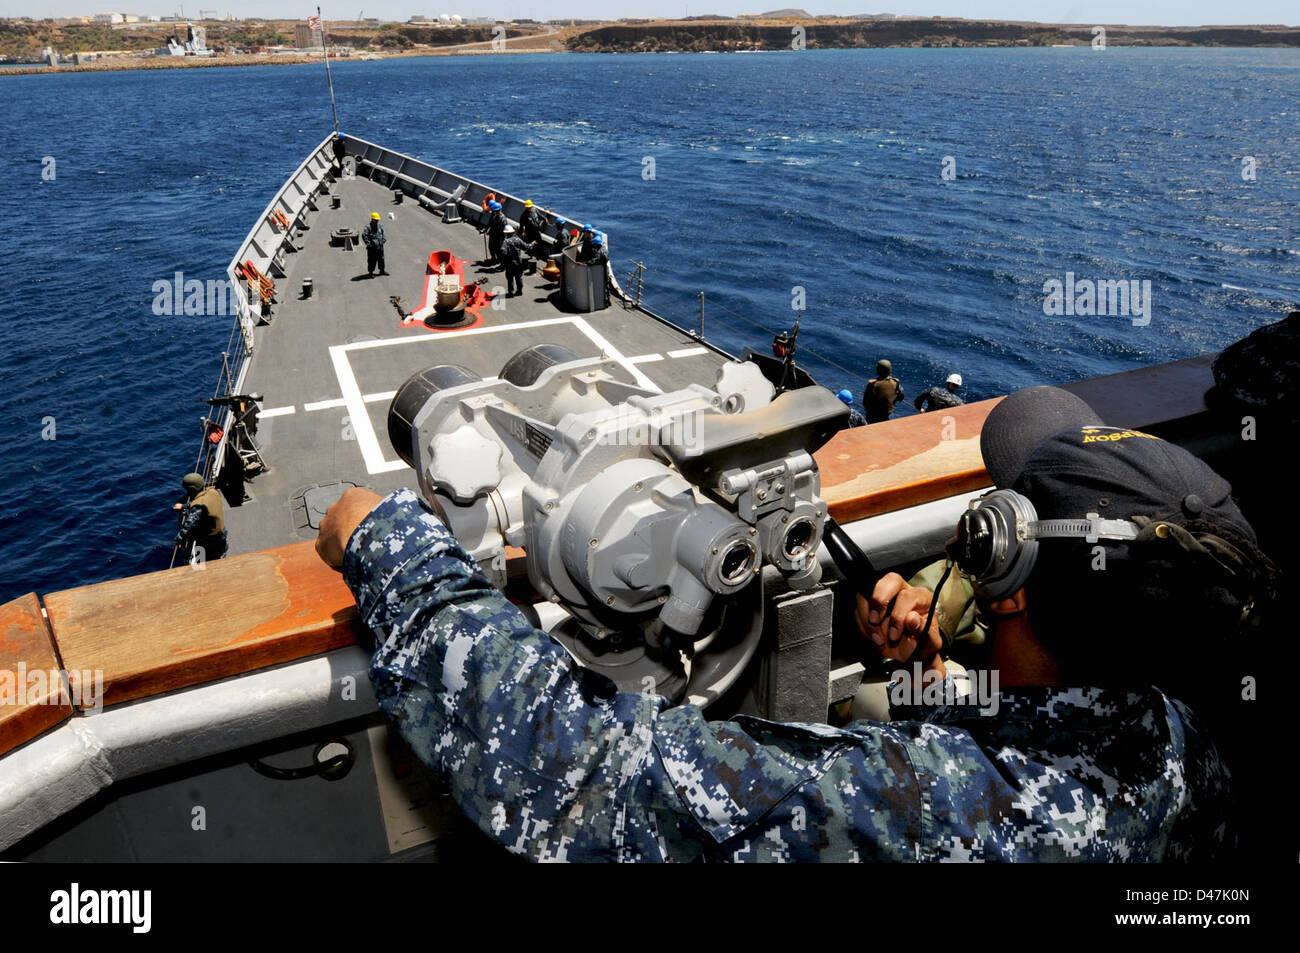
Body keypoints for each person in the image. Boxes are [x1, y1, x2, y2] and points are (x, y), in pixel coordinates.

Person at [313, 384, 1273, 861]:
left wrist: (391, 546)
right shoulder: (1187, 742)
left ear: (1003, 566)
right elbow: (1046, 747)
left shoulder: (918, 805)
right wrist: (929, 681)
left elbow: (580, 775)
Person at [174, 472, 227, 561]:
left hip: (210, 541)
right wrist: (184, 506)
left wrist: (178, 539)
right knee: (221, 557)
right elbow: (202, 501)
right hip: (222, 534)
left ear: (191, 490)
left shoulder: (198, 506)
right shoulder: (213, 491)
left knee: (203, 562)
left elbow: (188, 525)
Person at [862, 359, 904, 423]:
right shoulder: (895, 382)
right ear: (889, 370)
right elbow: (901, 397)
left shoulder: (873, 384)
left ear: (878, 370)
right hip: (889, 414)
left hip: (874, 416)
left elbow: (865, 402)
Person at [500, 224, 531, 297]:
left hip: (509, 263)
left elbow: (503, 251)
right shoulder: (518, 239)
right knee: (518, 277)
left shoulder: (506, 241)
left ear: (506, 233)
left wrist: (504, 260)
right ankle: (519, 291)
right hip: (518, 262)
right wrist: (532, 244)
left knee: (510, 278)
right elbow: (526, 247)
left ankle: (511, 292)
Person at [362, 212, 386, 277]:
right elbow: (364, 235)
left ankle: (382, 270)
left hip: (380, 247)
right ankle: (371, 272)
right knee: (372, 260)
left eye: (377, 220)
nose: (377, 221)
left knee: (381, 259)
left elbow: (383, 233)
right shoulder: (368, 227)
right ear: (372, 219)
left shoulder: (379, 226)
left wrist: (384, 239)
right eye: (376, 220)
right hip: (372, 248)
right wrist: (368, 243)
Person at [485, 200, 506, 264]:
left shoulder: (503, 219)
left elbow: (504, 231)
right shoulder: (495, 216)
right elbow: (491, 223)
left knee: (498, 249)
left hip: (499, 237)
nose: (495, 212)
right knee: (491, 247)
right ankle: (494, 258)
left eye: (496, 211)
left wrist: (501, 240)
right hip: (493, 234)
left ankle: (500, 261)